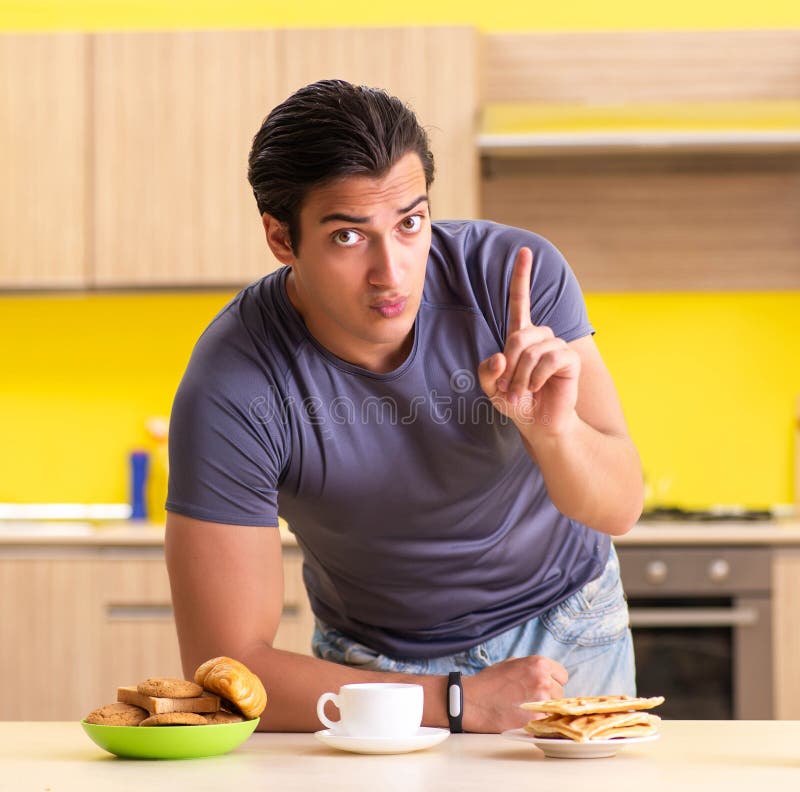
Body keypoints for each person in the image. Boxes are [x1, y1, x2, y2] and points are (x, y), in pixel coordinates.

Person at [164, 79, 644, 733]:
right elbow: (227, 667)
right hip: (372, 672)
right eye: (347, 237)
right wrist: (453, 701)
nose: (392, 272)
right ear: (281, 238)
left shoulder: (512, 283)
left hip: (565, 635)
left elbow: (617, 507)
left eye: (410, 223)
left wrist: (550, 430)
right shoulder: (235, 382)